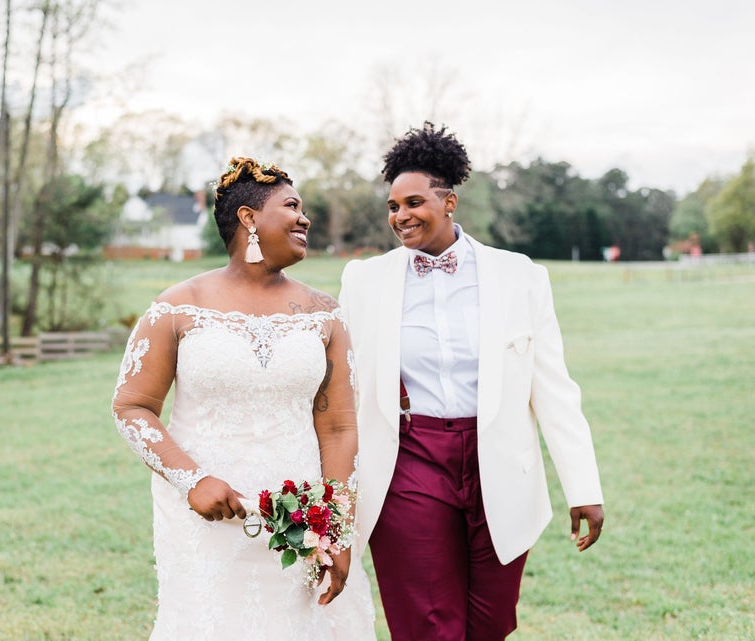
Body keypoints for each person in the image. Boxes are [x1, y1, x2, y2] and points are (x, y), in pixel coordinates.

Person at [339, 123, 605, 641]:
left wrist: (583, 486)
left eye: (414, 202)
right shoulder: (364, 281)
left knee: (490, 623)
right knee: (428, 625)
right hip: (409, 460)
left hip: (499, 462)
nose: (400, 216)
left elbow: (553, 387)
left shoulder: (520, 275)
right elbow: (345, 390)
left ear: (450, 201)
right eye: (393, 207)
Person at [112, 157, 376, 640]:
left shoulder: (325, 313)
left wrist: (338, 530)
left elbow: (339, 428)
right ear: (249, 218)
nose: (305, 218)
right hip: (207, 519)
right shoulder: (176, 306)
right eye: (292, 206)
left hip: (302, 523)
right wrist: (189, 478)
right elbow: (131, 406)